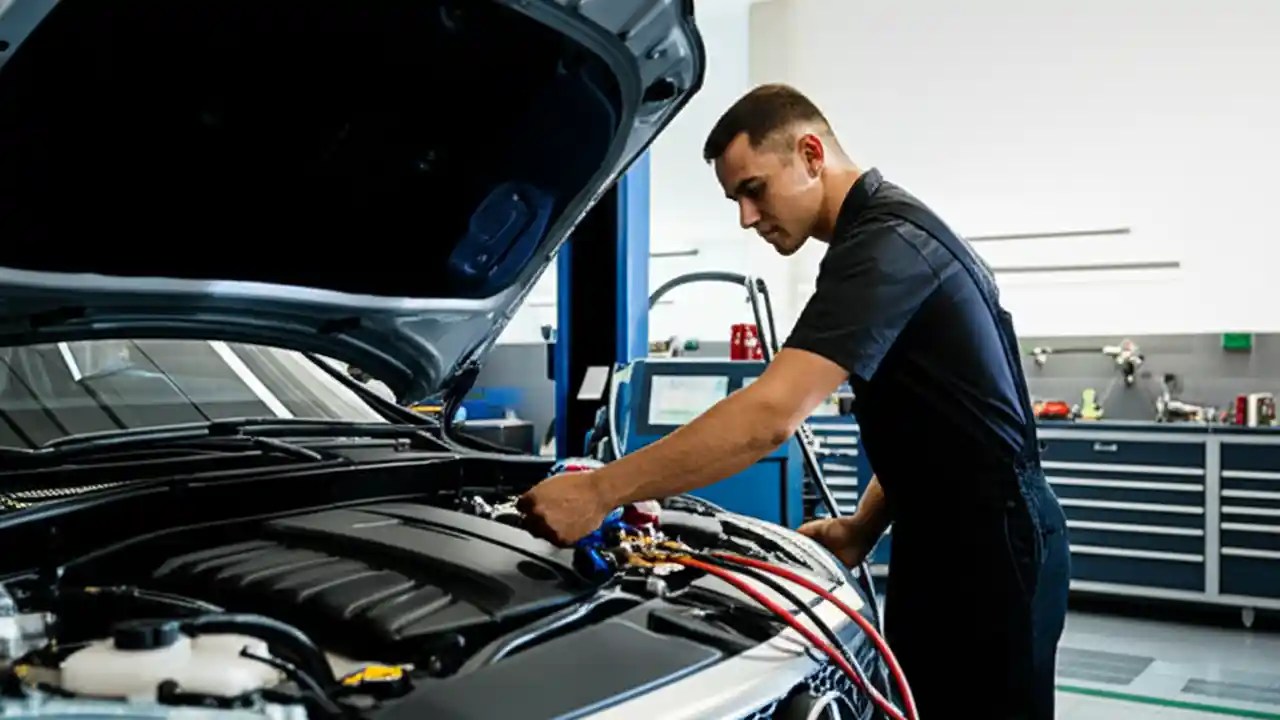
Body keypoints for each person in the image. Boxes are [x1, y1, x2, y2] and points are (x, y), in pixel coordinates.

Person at [517, 83, 1070, 719]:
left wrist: (599, 491)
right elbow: (938, 425)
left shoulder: (887, 245)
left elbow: (769, 418)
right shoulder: (881, 240)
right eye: (735, 200)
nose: (746, 218)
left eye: (754, 189)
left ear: (811, 153)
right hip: (944, 537)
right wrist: (862, 528)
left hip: (991, 549)